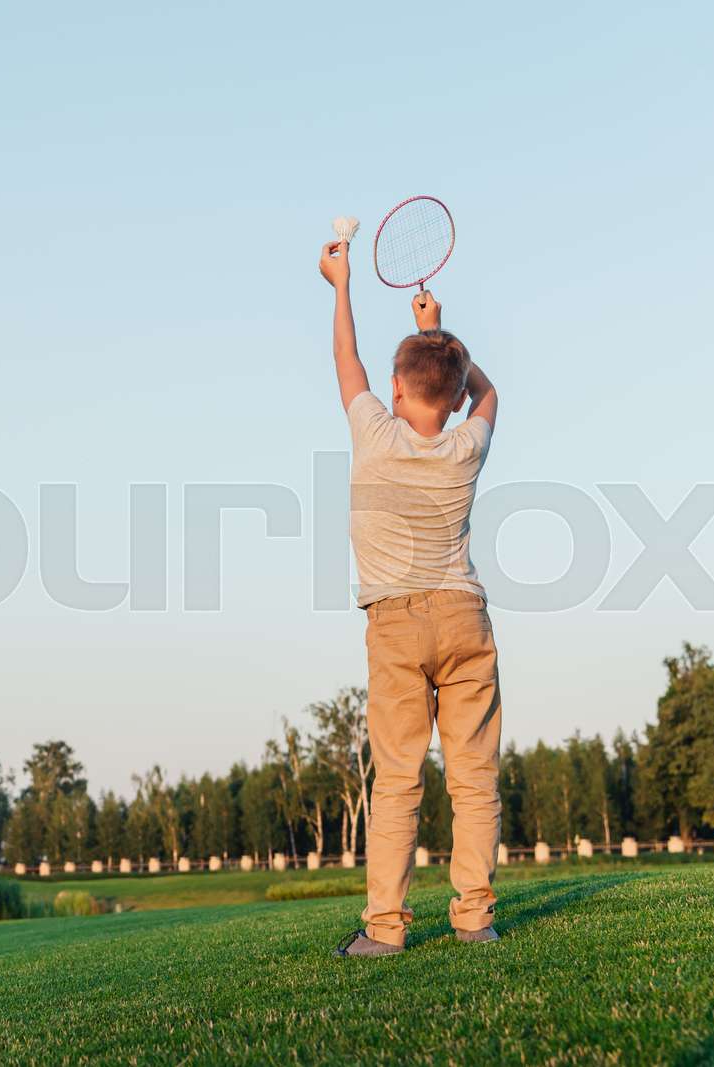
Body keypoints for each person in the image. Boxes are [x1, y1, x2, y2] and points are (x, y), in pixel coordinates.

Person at [316, 240, 504, 956]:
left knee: (397, 781)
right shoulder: (465, 447)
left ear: (395, 391)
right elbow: (488, 394)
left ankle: (386, 930)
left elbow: (346, 359)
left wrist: (342, 284)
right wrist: (442, 337)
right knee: (474, 779)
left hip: (394, 622)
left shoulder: (373, 433)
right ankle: (474, 918)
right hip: (463, 617)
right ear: (452, 398)